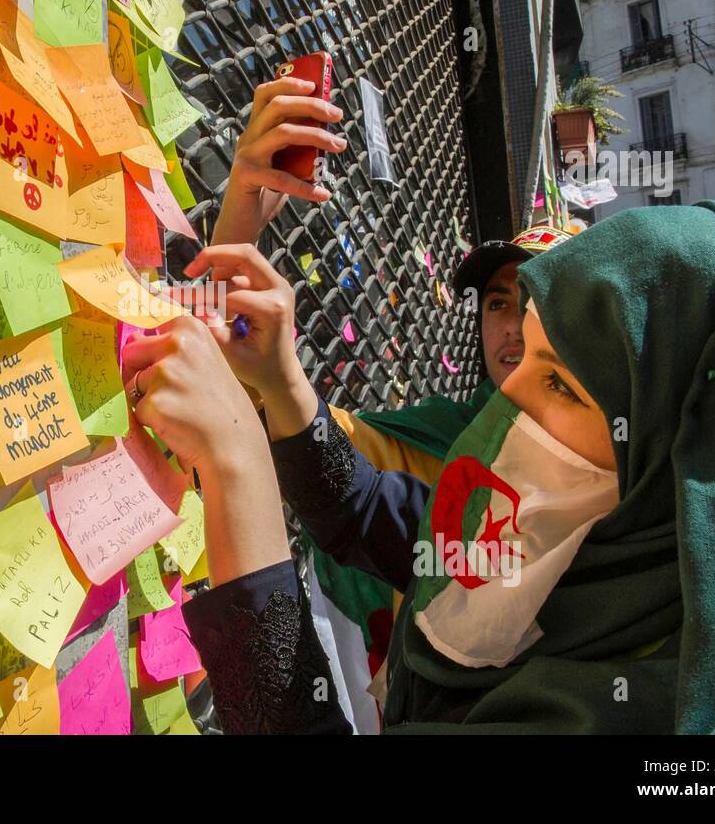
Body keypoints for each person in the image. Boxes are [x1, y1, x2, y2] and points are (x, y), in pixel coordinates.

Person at [123, 201, 715, 733]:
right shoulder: (575, 537)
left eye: (560, 383)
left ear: (685, 457)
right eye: (510, 320)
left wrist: (240, 464)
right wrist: (280, 382)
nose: (509, 392)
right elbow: (375, 516)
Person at [210, 74, 571, 703]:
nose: (513, 329)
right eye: (497, 303)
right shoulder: (439, 448)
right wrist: (241, 216)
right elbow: (277, 414)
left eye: (541, 300)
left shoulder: (641, 486)